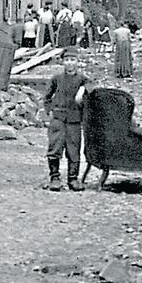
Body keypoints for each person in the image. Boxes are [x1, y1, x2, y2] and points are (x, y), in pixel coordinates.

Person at [43, 47, 87, 191]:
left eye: (73, 60)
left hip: (74, 120)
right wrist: (50, 111)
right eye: (67, 60)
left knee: (73, 149)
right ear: (62, 62)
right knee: (55, 147)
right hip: (58, 120)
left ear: (77, 61)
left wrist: (83, 89)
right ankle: (54, 177)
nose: (69, 63)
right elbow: (47, 97)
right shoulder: (56, 78)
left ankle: (73, 179)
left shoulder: (83, 79)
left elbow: (92, 87)